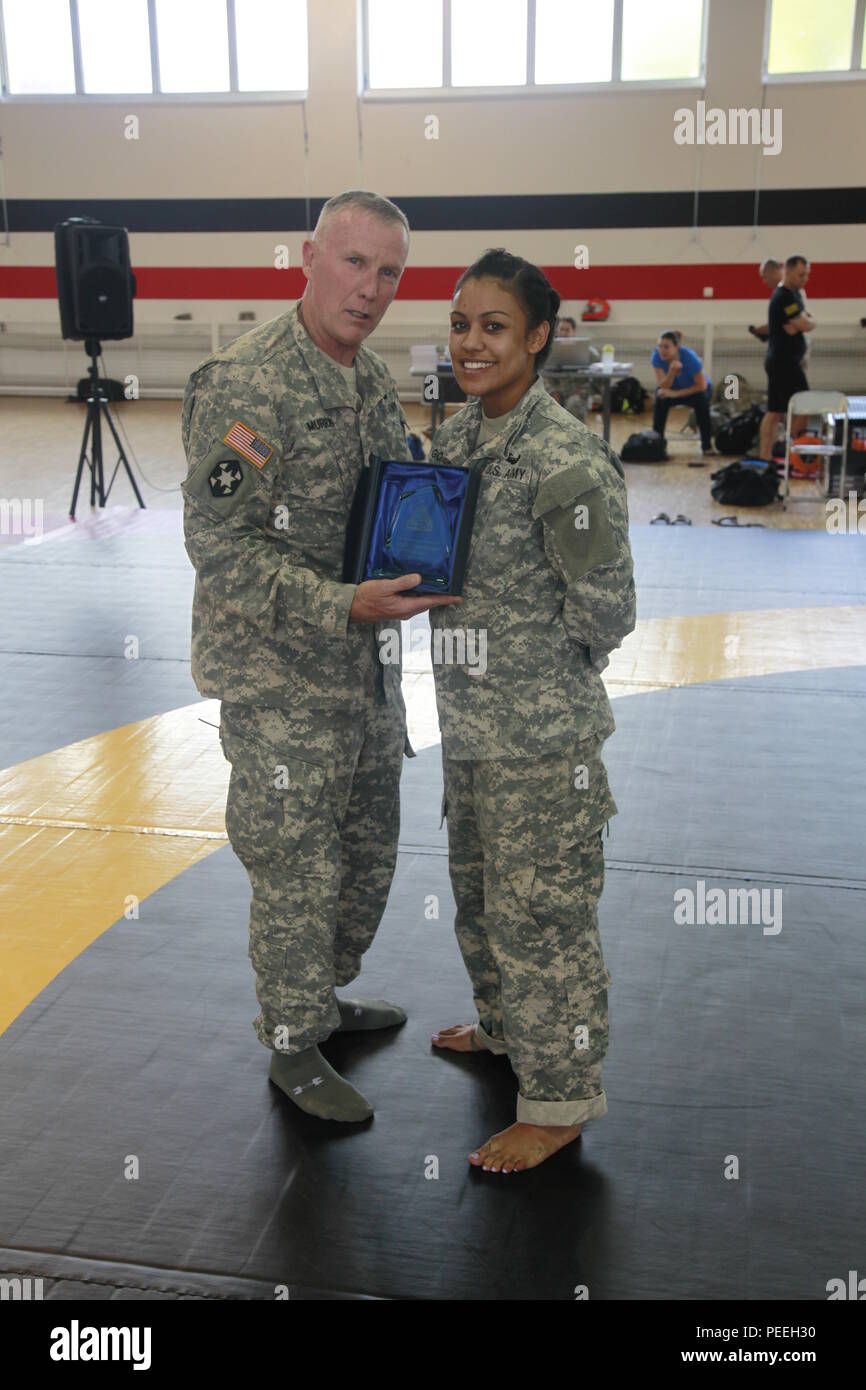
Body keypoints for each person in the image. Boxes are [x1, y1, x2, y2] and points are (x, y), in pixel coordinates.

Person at [181, 190, 462, 1123]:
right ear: (308, 257)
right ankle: (292, 1041)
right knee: (295, 864)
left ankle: (325, 998)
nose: (371, 288)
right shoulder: (247, 383)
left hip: (362, 672)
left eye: (390, 272)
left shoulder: (369, 380)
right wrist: (341, 602)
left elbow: (393, 498)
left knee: (363, 851)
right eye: (354, 263)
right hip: (278, 677)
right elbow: (219, 548)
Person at [427, 248, 636, 1173]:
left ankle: (557, 1103)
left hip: (542, 742)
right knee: (481, 900)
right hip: (471, 730)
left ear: (540, 337)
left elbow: (608, 608)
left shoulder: (563, 456)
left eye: (494, 326)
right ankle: (507, 1031)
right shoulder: (461, 439)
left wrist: (538, 669)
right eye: (462, 324)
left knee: (544, 921)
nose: (472, 343)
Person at [757, 254, 815, 465]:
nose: (804, 279)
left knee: (774, 411)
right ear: (787, 271)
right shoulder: (784, 296)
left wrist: (804, 321)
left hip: (780, 360)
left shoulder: (794, 294)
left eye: (807, 275)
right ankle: (795, 455)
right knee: (803, 405)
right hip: (783, 362)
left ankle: (765, 456)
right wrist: (807, 321)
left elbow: (804, 321)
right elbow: (805, 323)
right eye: (800, 274)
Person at [651, 330, 715, 455]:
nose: (662, 350)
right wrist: (671, 372)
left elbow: (702, 386)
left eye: (666, 347)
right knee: (660, 399)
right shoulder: (657, 356)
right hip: (672, 389)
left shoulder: (689, 357)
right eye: (660, 346)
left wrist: (674, 394)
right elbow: (663, 385)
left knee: (702, 402)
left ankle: (707, 446)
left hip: (695, 390)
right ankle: (656, 445)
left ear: (676, 347)